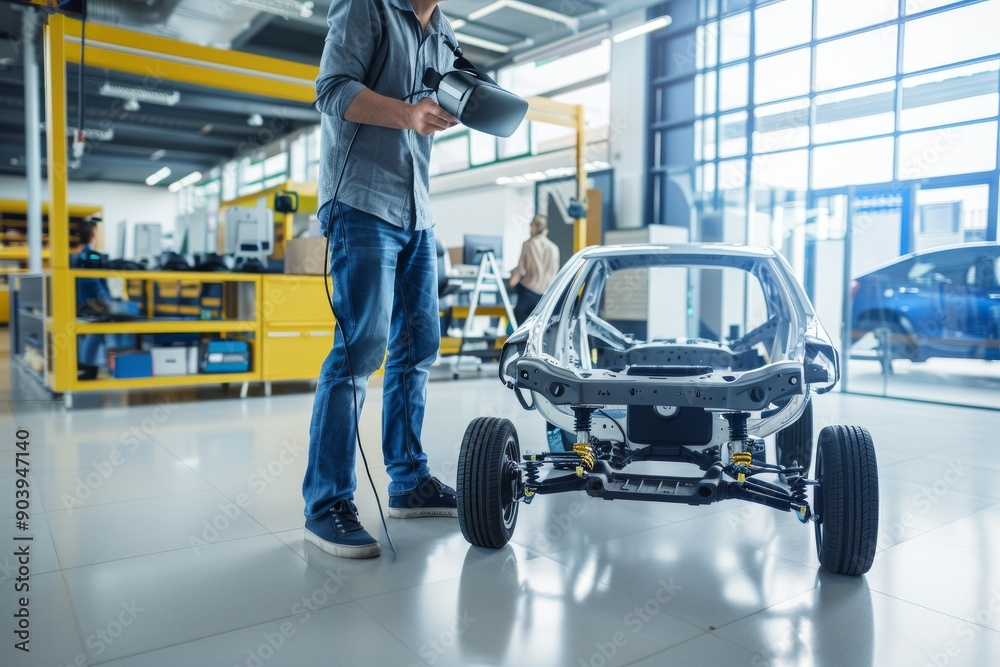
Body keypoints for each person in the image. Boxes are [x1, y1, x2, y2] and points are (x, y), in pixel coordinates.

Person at [302, 0, 463, 559]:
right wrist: (408, 113)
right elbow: (331, 91)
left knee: (418, 348)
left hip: (417, 210)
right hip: (362, 203)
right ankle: (326, 504)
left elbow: (432, 107)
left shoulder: (443, 33)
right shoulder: (365, 7)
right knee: (359, 351)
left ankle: (409, 480)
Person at [509, 214, 560, 326]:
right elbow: (555, 273)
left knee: (521, 327)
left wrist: (511, 282)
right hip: (545, 296)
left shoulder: (528, 244)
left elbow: (520, 271)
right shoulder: (554, 248)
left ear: (534, 226)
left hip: (528, 293)